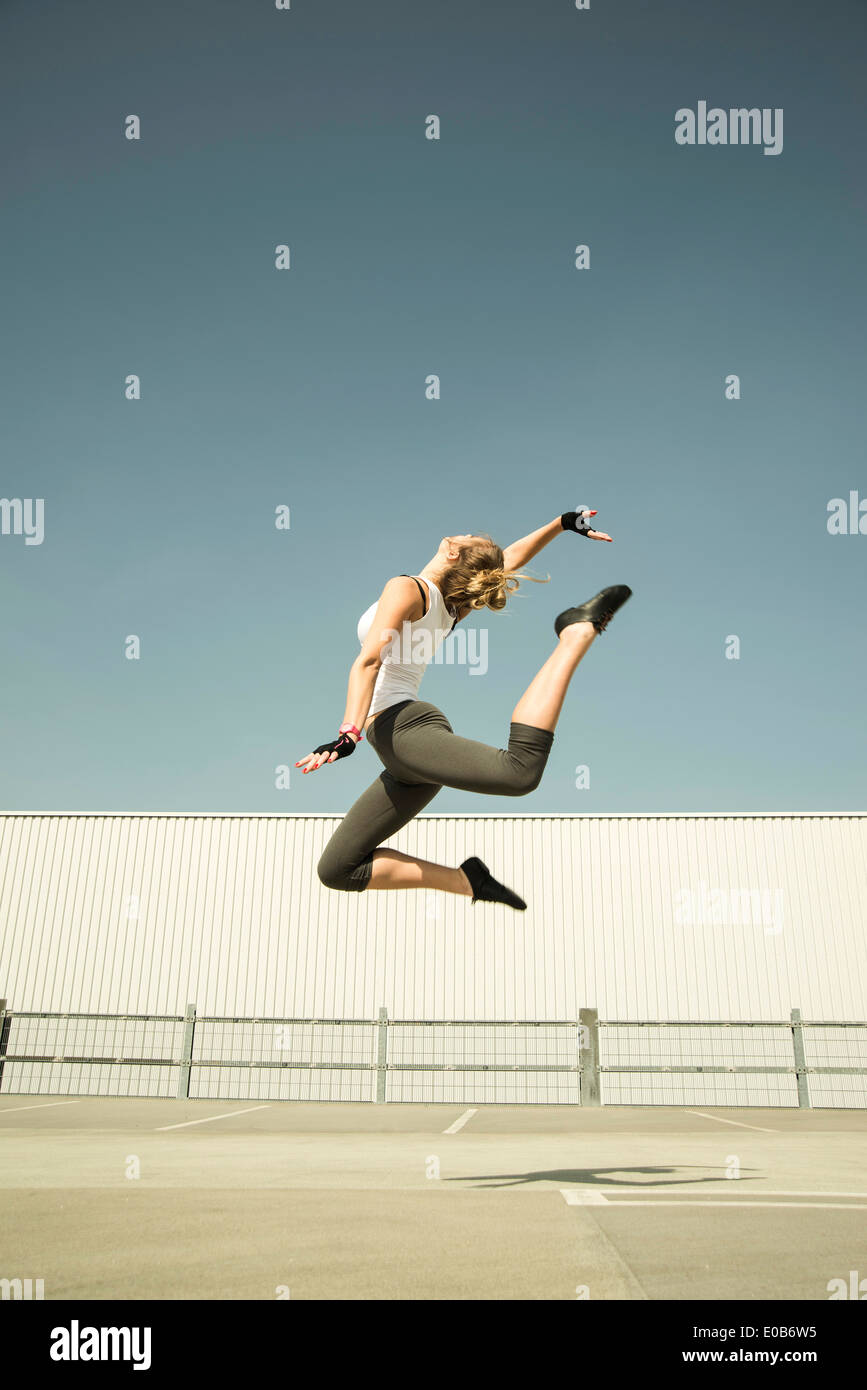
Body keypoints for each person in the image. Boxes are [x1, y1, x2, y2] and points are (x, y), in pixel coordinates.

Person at [296, 510, 632, 910]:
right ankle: (467, 881)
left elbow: (370, 661)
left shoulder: (406, 589)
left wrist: (348, 733)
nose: (465, 531)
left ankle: (574, 634)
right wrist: (559, 524)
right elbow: (510, 559)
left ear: (453, 551)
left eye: (468, 536)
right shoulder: (446, 602)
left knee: (520, 771)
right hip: (403, 755)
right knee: (337, 870)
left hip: (403, 729)